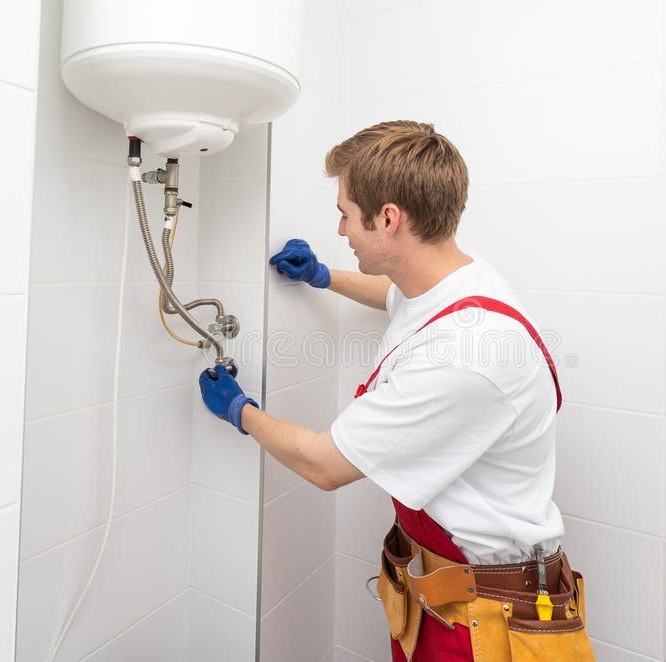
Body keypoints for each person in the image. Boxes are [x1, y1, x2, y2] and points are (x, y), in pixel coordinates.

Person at [199, 120, 595, 661]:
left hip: (487, 627)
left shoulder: (465, 354)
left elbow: (325, 465)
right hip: (447, 596)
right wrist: (322, 276)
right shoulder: (455, 281)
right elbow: (395, 294)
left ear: (388, 218)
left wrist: (240, 411)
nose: (340, 229)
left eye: (345, 213)